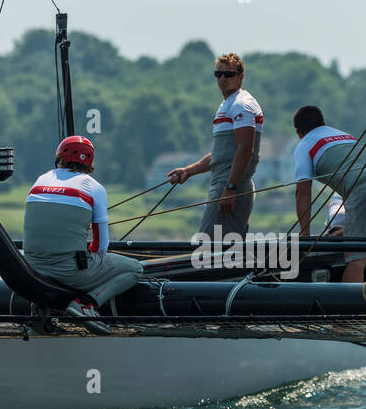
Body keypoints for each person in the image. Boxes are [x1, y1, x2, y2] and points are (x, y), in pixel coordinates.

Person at [23, 135, 144, 323]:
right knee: (135, 269)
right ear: (89, 163)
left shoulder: (41, 180)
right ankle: (87, 304)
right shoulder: (94, 187)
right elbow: (101, 245)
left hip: (30, 268)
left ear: (59, 158)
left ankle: (44, 307)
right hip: (69, 272)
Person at [291, 106, 366, 283]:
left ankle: (350, 309)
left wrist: (305, 236)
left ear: (298, 132)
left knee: (357, 258)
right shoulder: (346, 137)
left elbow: (303, 192)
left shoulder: (304, 145)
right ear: (322, 122)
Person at [166, 52, 263, 237]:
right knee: (225, 251)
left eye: (229, 75)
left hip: (230, 186)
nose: (222, 79)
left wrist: (230, 189)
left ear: (241, 76)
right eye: (218, 75)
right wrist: (188, 171)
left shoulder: (241, 104)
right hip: (224, 184)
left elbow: (245, 150)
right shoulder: (227, 105)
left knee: (207, 248)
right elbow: (221, 155)